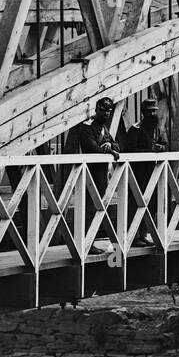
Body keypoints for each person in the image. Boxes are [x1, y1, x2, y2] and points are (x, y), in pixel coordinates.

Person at [64, 97, 121, 254]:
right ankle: (85, 243)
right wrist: (108, 148)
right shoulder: (87, 127)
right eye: (103, 111)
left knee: (97, 208)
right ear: (97, 110)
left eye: (108, 112)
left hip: (101, 175)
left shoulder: (102, 128)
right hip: (89, 174)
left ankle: (90, 241)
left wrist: (109, 146)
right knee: (88, 209)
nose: (106, 115)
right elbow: (91, 148)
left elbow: (116, 145)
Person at [122, 99, 167, 246]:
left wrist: (161, 147)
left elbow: (165, 143)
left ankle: (143, 234)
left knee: (150, 204)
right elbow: (129, 150)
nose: (152, 113)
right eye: (149, 111)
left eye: (154, 110)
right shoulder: (135, 129)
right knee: (135, 203)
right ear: (143, 112)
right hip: (137, 172)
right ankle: (133, 237)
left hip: (152, 172)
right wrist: (150, 150)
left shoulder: (157, 128)